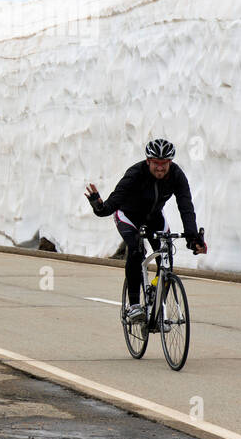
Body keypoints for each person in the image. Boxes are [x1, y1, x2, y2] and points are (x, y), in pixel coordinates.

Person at [85, 138, 208, 324]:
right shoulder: (135, 173)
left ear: (170, 163)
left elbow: (186, 206)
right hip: (128, 216)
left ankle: (156, 299)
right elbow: (113, 203)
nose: (160, 168)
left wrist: (192, 237)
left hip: (154, 217)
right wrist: (99, 206)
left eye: (164, 164)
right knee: (136, 250)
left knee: (166, 258)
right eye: (156, 163)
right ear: (148, 161)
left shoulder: (176, 175)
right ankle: (134, 305)